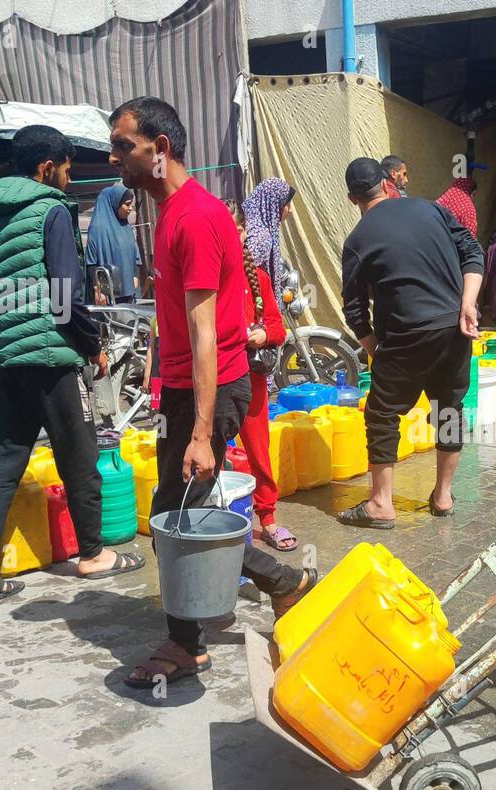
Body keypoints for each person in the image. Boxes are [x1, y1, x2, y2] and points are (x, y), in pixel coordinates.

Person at [107, 97, 315, 689]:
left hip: (210, 388)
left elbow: (204, 334)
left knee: (174, 515)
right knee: (183, 513)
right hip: (183, 389)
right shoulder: (170, 212)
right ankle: (277, 583)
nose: (114, 155)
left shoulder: (194, 217)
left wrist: (199, 432)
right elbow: (174, 322)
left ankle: (187, 642)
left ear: (159, 150)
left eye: (124, 145)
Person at [0, 125, 144, 610]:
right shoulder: (51, 211)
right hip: (51, 358)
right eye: (65, 168)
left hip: (7, 358)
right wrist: (93, 344)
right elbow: (66, 296)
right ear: (47, 167)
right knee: (80, 455)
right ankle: (92, 553)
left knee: (3, 466)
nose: (67, 178)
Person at [337, 157, 483, 529]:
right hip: (454, 327)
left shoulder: (357, 240)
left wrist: (373, 351)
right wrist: (467, 303)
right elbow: (473, 251)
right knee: (448, 410)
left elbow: (354, 308)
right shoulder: (432, 209)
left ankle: (381, 504)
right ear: (388, 184)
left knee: (382, 415)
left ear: (354, 199)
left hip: (404, 335)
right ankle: (444, 496)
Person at [223, 196, 296, 552]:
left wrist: (263, 334)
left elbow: (277, 327)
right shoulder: (206, 276)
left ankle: (267, 518)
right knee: (214, 452)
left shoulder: (259, 279)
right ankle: (219, 519)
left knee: (258, 451)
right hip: (215, 380)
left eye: (232, 228)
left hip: (251, 379)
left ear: (241, 232)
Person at [242, 176, 297, 311]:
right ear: (273, 204)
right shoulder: (261, 237)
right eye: (286, 204)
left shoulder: (248, 225)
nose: (289, 210)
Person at [84, 184, 141, 303]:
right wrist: (97, 288)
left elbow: (135, 253)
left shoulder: (126, 227)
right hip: (107, 296)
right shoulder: (97, 229)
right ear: (115, 204)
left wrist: (135, 275)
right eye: (127, 204)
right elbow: (91, 262)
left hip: (129, 292)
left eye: (131, 204)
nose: (130, 208)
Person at [437, 175, 479, 239]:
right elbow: (470, 238)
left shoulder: (446, 196)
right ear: (472, 193)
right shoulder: (469, 209)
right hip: (446, 243)